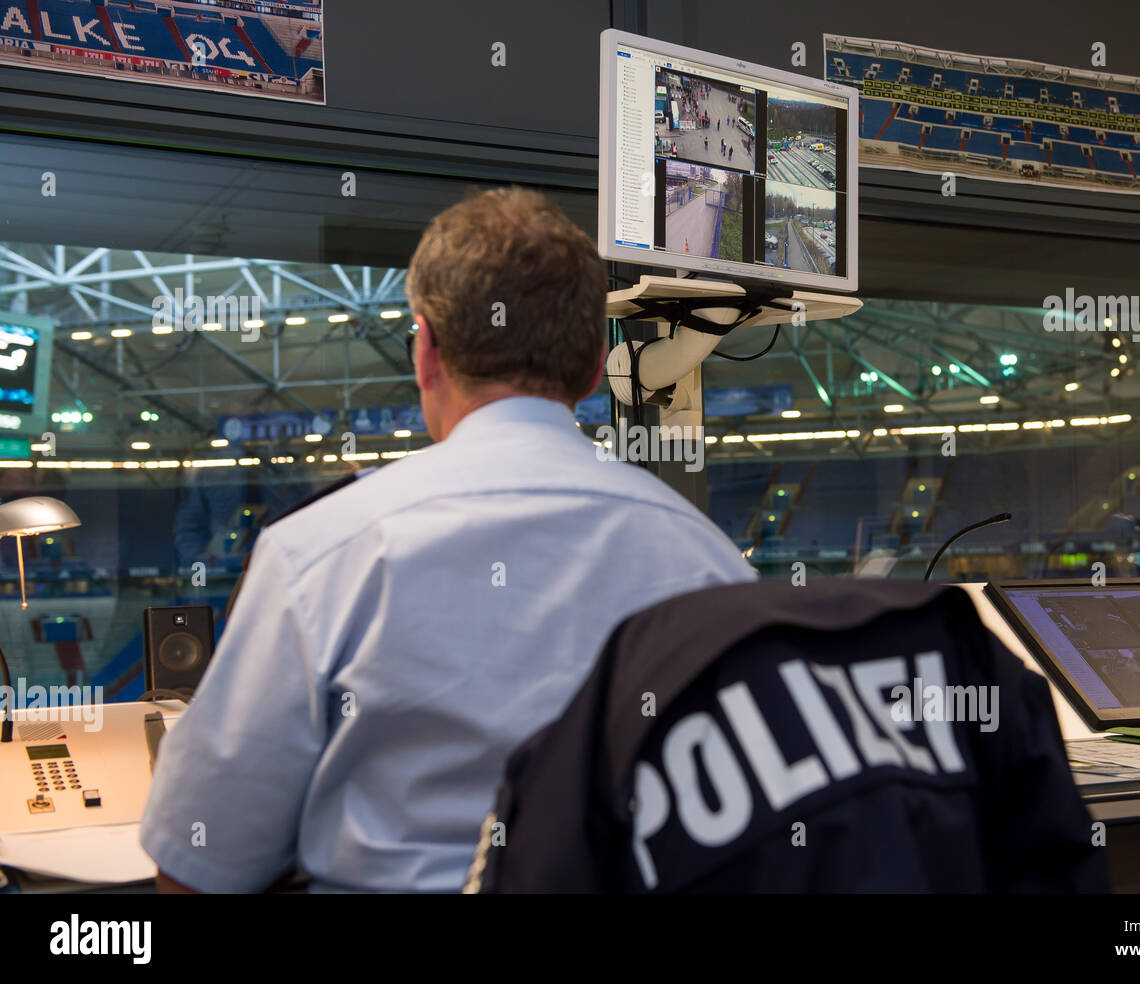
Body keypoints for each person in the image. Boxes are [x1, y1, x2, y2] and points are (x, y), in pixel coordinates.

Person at [139, 187, 756, 893]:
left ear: (426, 350)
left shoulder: (321, 552)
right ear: (592, 372)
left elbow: (199, 863)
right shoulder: (710, 565)